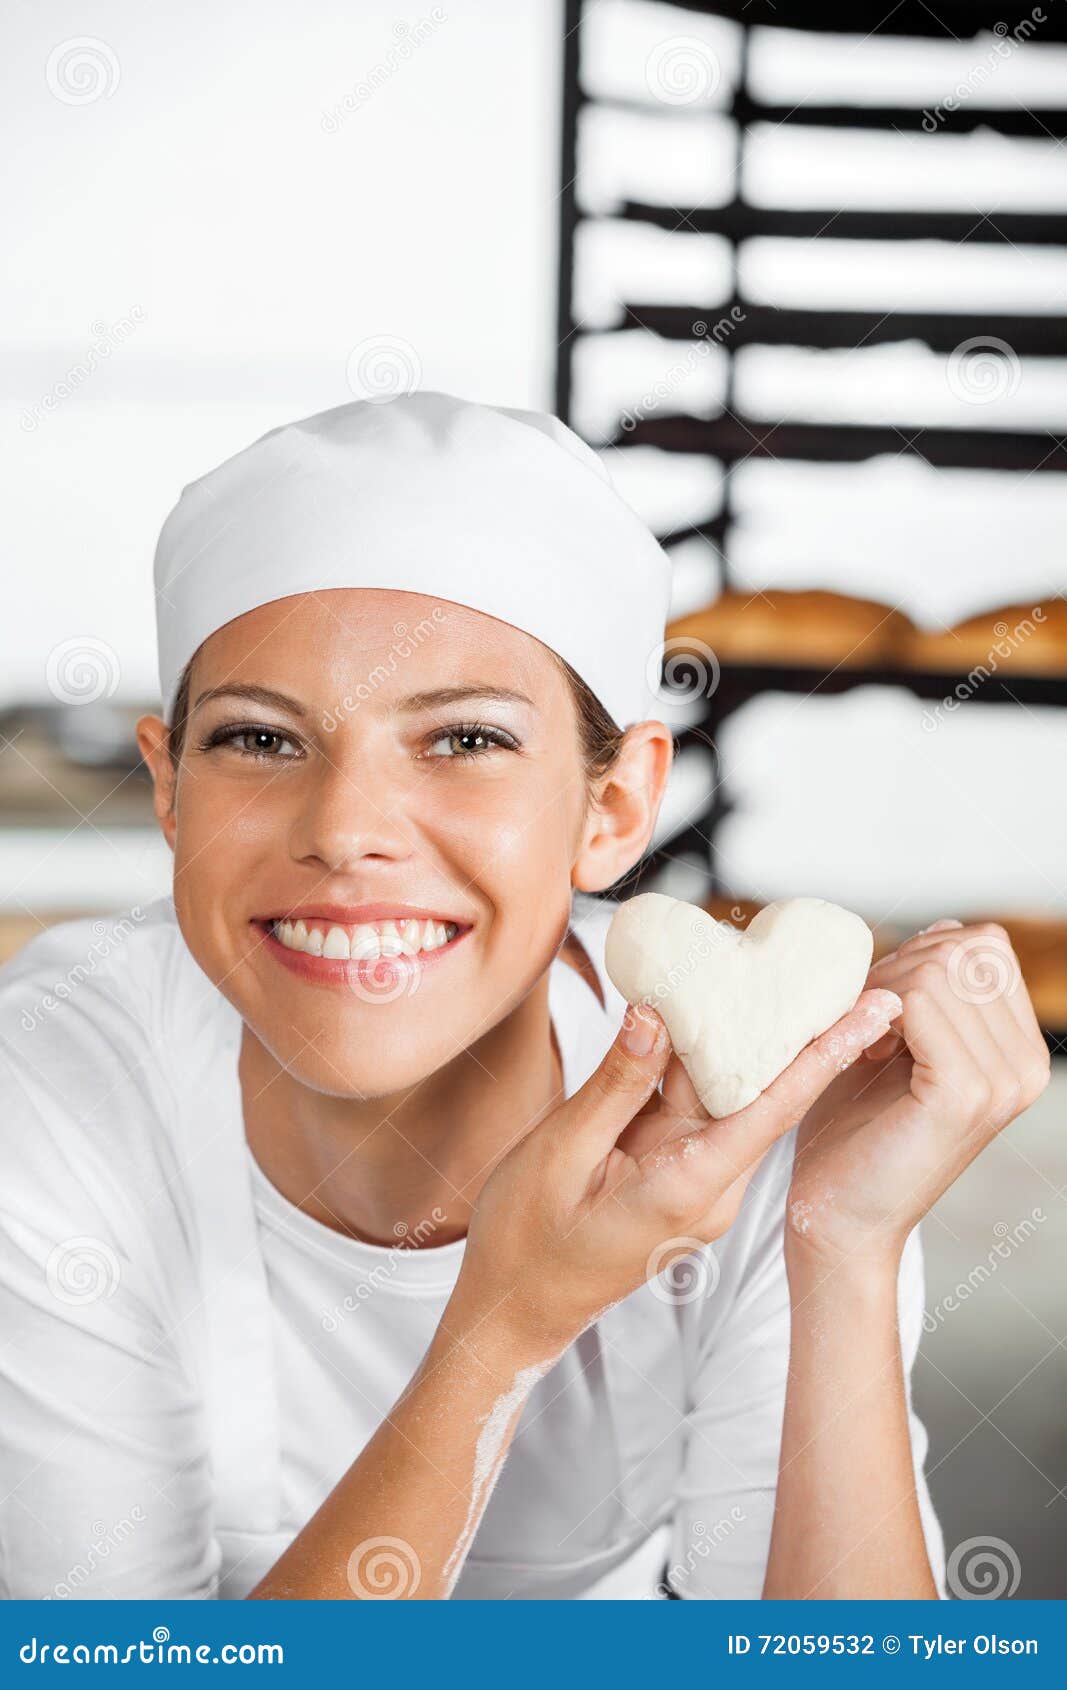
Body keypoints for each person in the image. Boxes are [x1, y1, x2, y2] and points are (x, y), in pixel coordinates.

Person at [0, 393, 1049, 1601]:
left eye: (463, 741)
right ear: (168, 790)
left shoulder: (745, 1093)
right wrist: (500, 1328)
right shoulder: (58, 1084)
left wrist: (843, 1243)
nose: (344, 832)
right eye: (261, 740)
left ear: (612, 809)